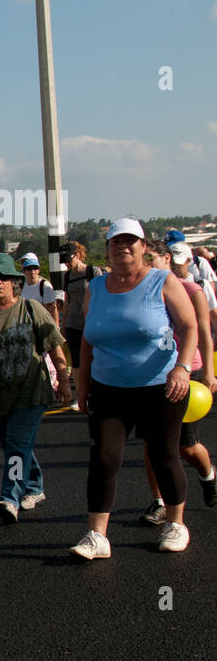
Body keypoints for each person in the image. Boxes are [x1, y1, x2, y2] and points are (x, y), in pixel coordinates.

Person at [72, 219, 197, 559]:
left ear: (144, 247)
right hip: (109, 389)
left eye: (131, 242)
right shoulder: (96, 288)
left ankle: (175, 524)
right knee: (103, 457)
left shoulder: (162, 280)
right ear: (108, 248)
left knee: (163, 455)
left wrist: (183, 369)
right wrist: (81, 385)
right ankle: (97, 536)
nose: (123, 247)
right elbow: (86, 340)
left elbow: (188, 326)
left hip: (160, 388)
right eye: (116, 242)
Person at [0, 254, 70, 523]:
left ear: (14, 282)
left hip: (31, 392)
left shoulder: (31, 309)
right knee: (15, 445)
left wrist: (64, 379)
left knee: (17, 446)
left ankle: (10, 497)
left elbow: (54, 344)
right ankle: (34, 487)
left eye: (4, 277)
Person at [137, 242, 217, 520]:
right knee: (151, 441)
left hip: (187, 371)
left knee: (186, 446)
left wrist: (208, 371)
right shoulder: (143, 289)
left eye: (150, 258)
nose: (145, 262)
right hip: (154, 374)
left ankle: (208, 474)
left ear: (166, 259)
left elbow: (204, 333)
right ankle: (159, 502)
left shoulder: (191, 290)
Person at [60, 241, 101, 411]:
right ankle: (80, 396)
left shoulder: (92, 272)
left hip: (91, 322)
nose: (66, 263)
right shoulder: (68, 276)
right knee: (76, 361)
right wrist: (63, 324)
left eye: (68, 259)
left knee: (93, 358)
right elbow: (67, 301)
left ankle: (96, 393)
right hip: (73, 323)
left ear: (77, 255)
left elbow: (100, 296)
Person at [18, 252, 63, 328]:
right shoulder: (20, 285)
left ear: (38, 270)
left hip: (42, 326)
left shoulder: (45, 286)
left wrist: (56, 328)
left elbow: (52, 310)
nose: (32, 271)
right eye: (29, 268)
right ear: (24, 270)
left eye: (35, 268)